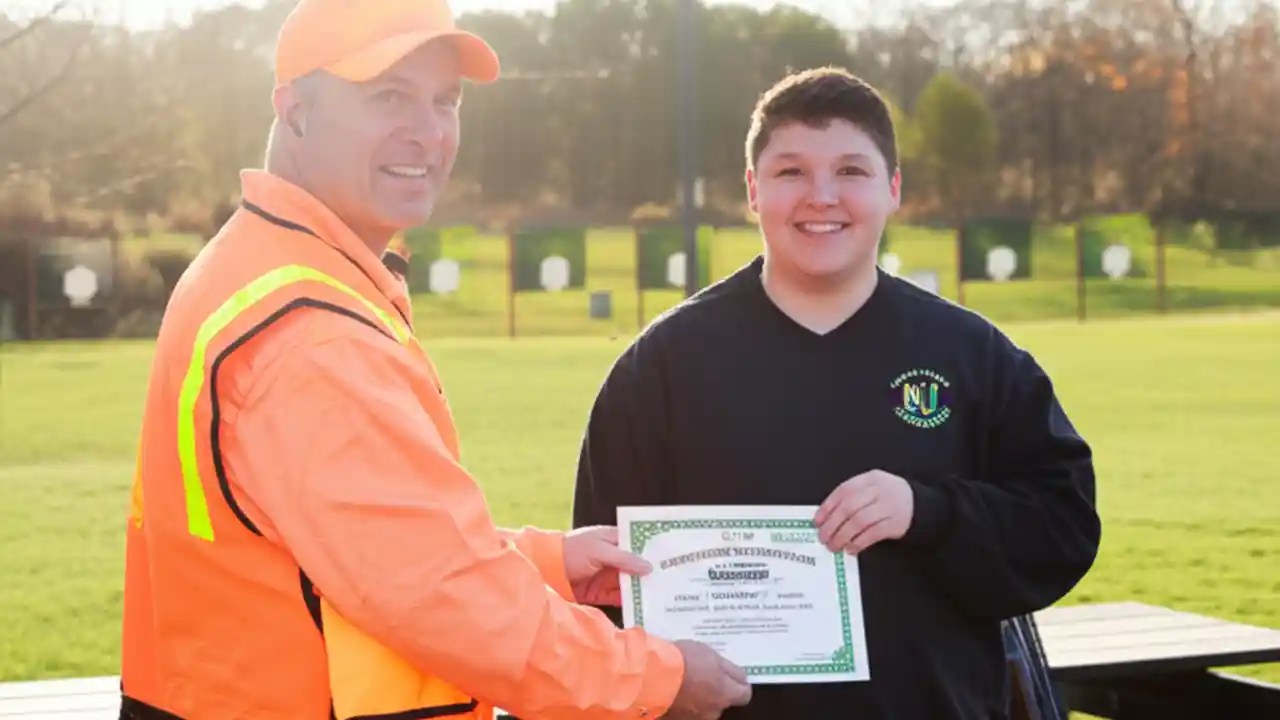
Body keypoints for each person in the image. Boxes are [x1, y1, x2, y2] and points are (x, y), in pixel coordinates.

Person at [118, 1, 753, 718]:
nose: (427, 133)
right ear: (294, 111)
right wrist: (654, 680)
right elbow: (442, 595)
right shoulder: (312, 337)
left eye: (445, 101)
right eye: (388, 96)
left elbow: (373, 547)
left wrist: (547, 564)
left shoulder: (261, 265)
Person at [572, 66, 1101, 719]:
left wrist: (927, 511)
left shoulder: (969, 355)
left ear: (893, 189)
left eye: (851, 171)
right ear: (752, 191)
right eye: (791, 172)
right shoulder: (660, 368)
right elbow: (601, 582)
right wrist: (656, 681)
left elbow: (1063, 528)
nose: (821, 196)